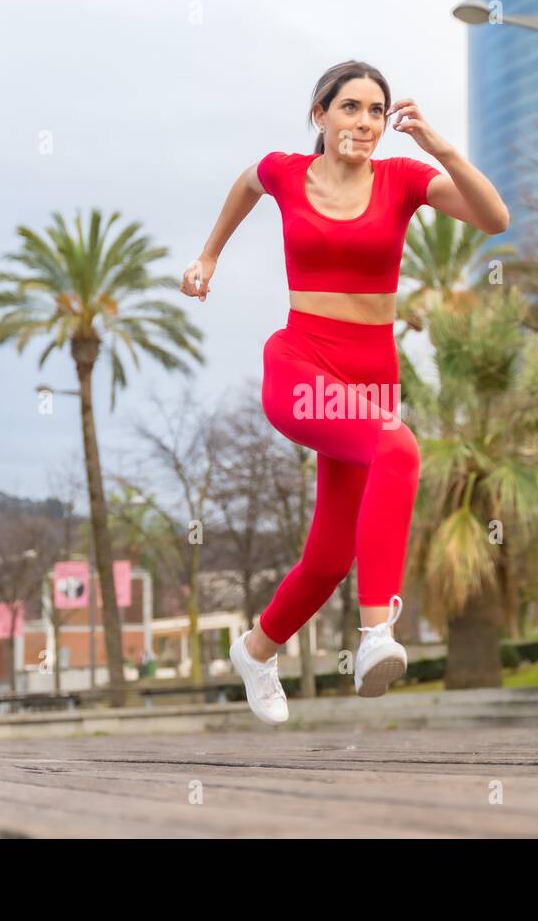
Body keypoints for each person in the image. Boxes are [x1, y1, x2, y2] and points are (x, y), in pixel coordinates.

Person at [181, 60, 509, 724]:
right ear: (320, 114)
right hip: (301, 365)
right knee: (400, 451)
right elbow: (246, 185)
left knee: (330, 556)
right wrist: (210, 254)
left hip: (372, 376)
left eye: (375, 111)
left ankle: (256, 650)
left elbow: (494, 218)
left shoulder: (404, 179)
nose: (363, 122)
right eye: (350, 107)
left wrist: (439, 146)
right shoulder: (285, 172)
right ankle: (376, 635)